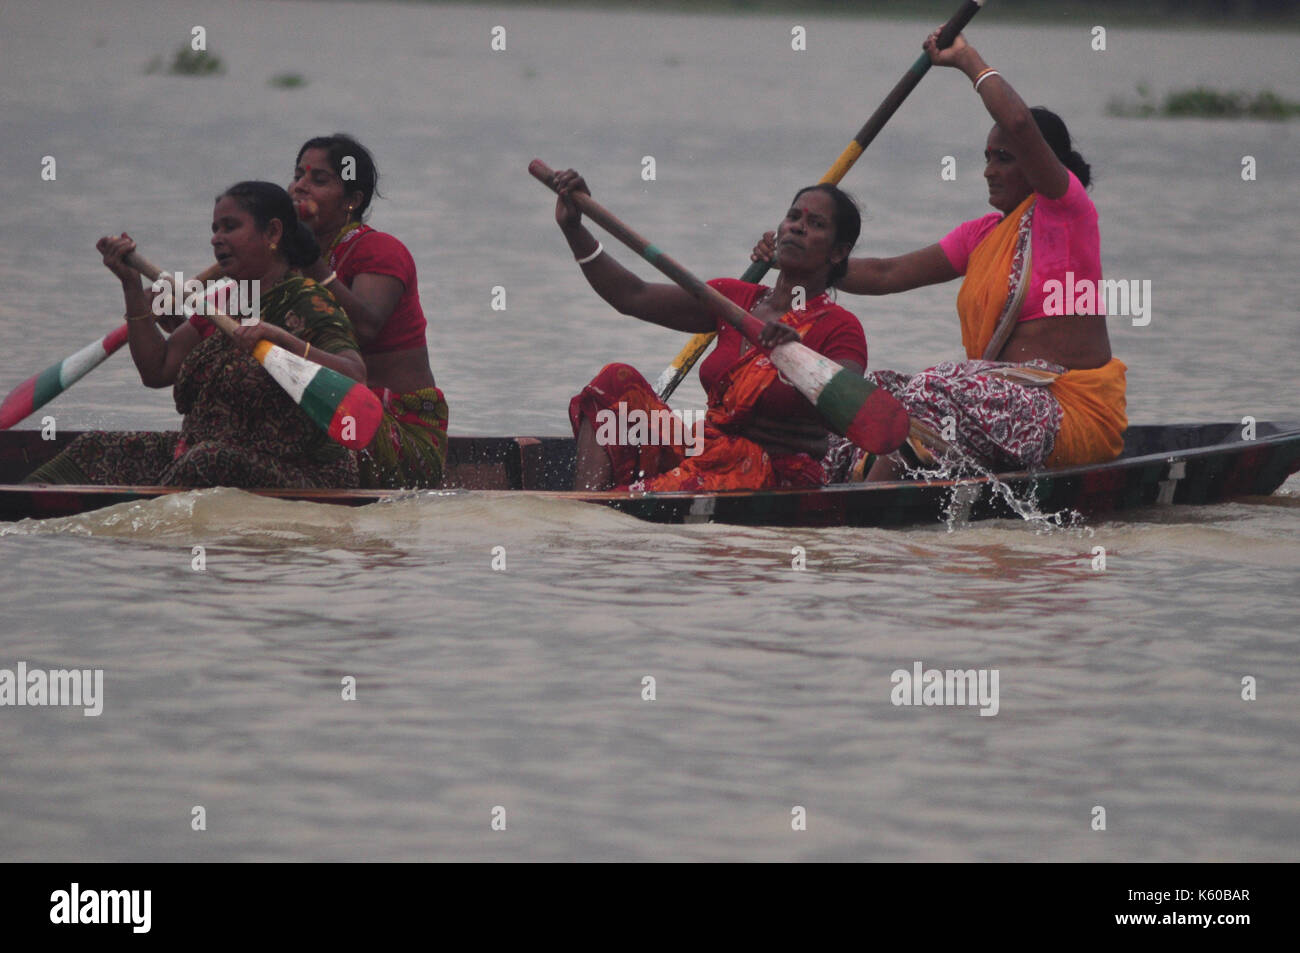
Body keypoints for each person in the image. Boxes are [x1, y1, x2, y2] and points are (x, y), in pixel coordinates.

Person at [753, 29, 1127, 481]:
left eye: (1004, 158)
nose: (989, 171)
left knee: (932, 387)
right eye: (987, 158)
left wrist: (966, 59)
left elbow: (1022, 126)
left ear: (1039, 161)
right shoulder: (982, 235)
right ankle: (832, 484)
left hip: (1071, 419)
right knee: (875, 395)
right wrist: (802, 257)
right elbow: (887, 273)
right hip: (1002, 413)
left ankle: (868, 502)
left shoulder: (1068, 214)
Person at [26, 182, 365, 488]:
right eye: (215, 229)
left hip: (300, 470)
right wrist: (131, 286)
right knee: (95, 447)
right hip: (203, 453)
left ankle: (142, 512)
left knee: (208, 459)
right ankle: (26, 504)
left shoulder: (307, 300)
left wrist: (280, 339)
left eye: (230, 227)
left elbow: (354, 377)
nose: (217, 238)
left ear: (272, 232)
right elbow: (157, 369)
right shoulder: (228, 301)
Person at [554, 169, 868, 492]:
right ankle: (586, 509)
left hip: (771, 473)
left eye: (816, 224)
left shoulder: (840, 327)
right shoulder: (732, 299)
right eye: (793, 217)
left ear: (838, 252)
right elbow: (632, 296)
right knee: (614, 382)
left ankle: (626, 500)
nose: (797, 228)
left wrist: (797, 359)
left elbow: (851, 409)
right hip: (706, 451)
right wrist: (575, 230)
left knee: (726, 460)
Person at [289, 134, 448, 489]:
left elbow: (363, 328)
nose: (300, 187)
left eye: (319, 180)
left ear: (352, 201)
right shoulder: (288, 259)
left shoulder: (378, 250)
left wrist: (311, 264)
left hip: (400, 433)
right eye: (298, 175)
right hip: (329, 421)